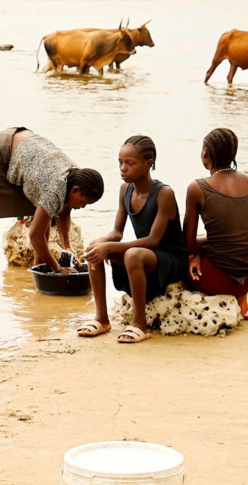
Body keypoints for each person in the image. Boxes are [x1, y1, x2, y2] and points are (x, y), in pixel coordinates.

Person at [0, 127, 104, 285]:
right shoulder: (55, 189)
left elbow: (64, 211)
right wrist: (57, 269)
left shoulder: (77, 177)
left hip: (26, 151)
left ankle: (38, 276)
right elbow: (35, 235)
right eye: (83, 202)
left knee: (43, 217)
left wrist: (67, 245)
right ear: (75, 190)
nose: (82, 207)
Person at [78, 136, 187, 343]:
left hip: (170, 260)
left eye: (130, 163)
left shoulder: (163, 193)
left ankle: (140, 324)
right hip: (146, 256)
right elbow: (117, 232)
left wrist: (111, 247)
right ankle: (101, 319)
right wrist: (103, 242)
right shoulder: (125, 190)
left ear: (149, 164)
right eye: (120, 162)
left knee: (132, 255)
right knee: (95, 247)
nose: (123, 168)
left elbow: (154, 240)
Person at [183, 128, 248, 320]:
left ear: (205, 152)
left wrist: (198, 253)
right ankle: (243, 301)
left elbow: (187, 244)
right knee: (235, 246)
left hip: (218, 279)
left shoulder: (197, 188)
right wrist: (205, 249)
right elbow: (246, 234)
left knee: (174, 256)